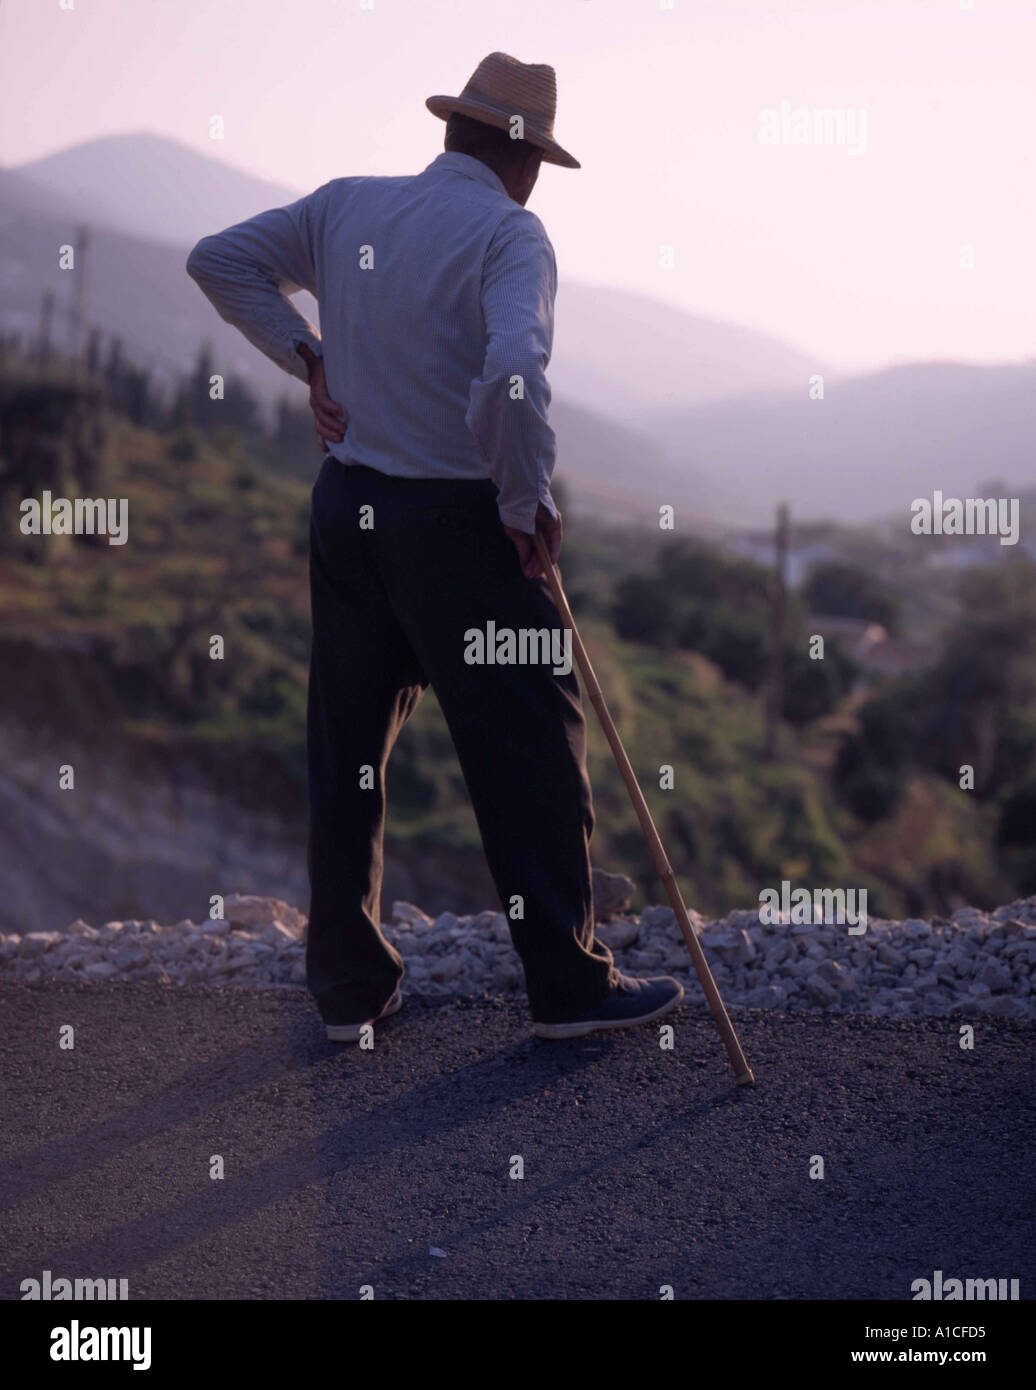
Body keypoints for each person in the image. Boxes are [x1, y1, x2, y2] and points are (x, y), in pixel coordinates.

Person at [186, 51, 683, 1042]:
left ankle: (347, 991)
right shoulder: (511, 235)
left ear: (452, 130)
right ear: (526, 157)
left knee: (348, 749)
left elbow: (217, 259)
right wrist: (524, 499)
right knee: (533, 748)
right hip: (458, 530)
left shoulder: (346, 208)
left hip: (349, 512)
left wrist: (310, 359)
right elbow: (510, 382)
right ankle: (568, 988)